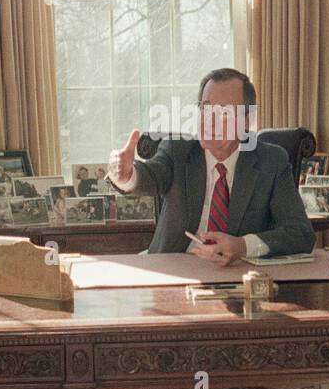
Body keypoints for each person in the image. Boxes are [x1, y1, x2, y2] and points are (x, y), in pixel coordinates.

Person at [107, 68, 315, 265]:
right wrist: (127, 175)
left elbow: (300, 233)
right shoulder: (177, 150)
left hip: (237, 274)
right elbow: (151, 174)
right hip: (177, 270)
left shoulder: (271, 160)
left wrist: (243, 246)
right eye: (206, 108)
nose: (210, 120)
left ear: (246, 121)